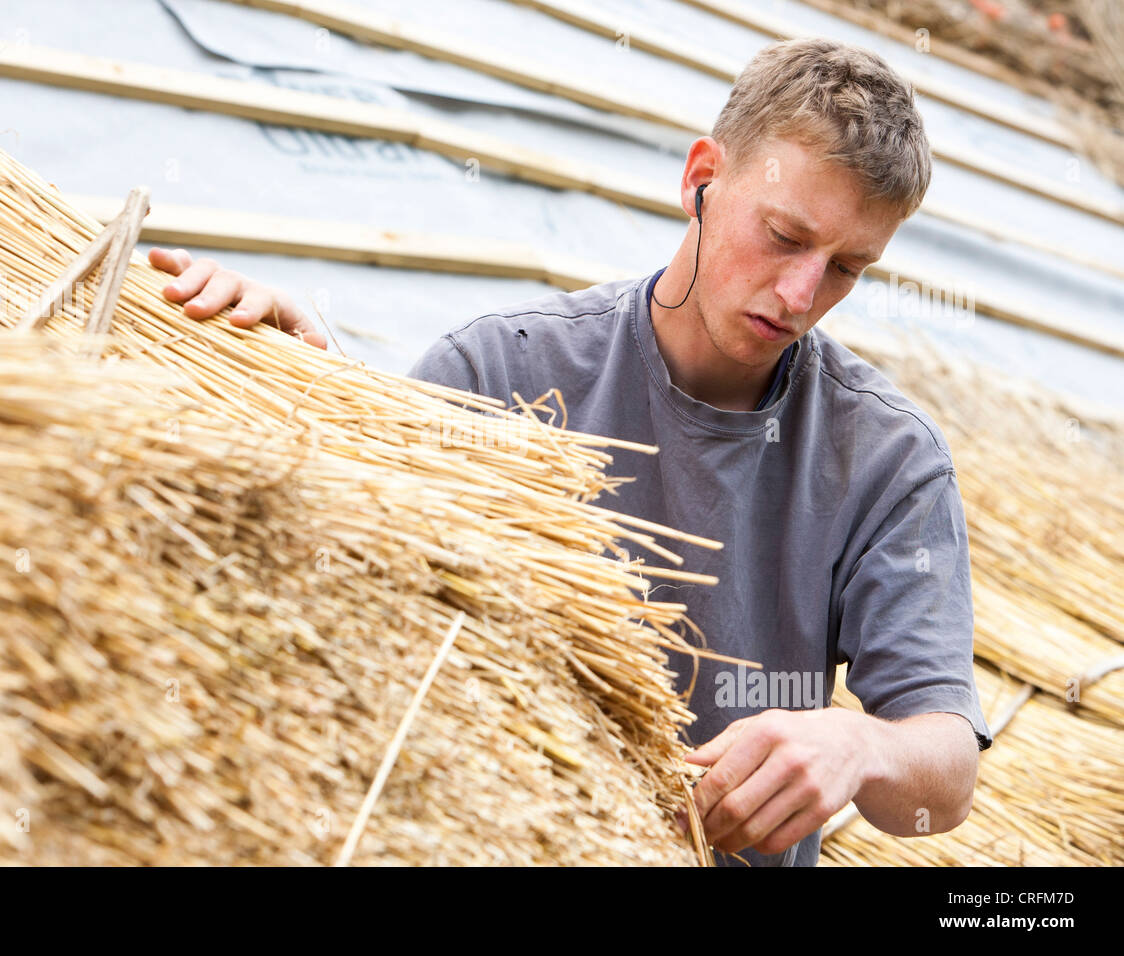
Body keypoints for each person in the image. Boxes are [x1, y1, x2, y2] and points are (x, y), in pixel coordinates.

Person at [148, 37, 992, 867]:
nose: (803, 294)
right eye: (783, 236)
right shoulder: (502, 371)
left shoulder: (885, 460)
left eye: (847, 267)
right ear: (702, 181)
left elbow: (945, 778)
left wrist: (859, 744)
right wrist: (308, 385)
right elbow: (350, 572)